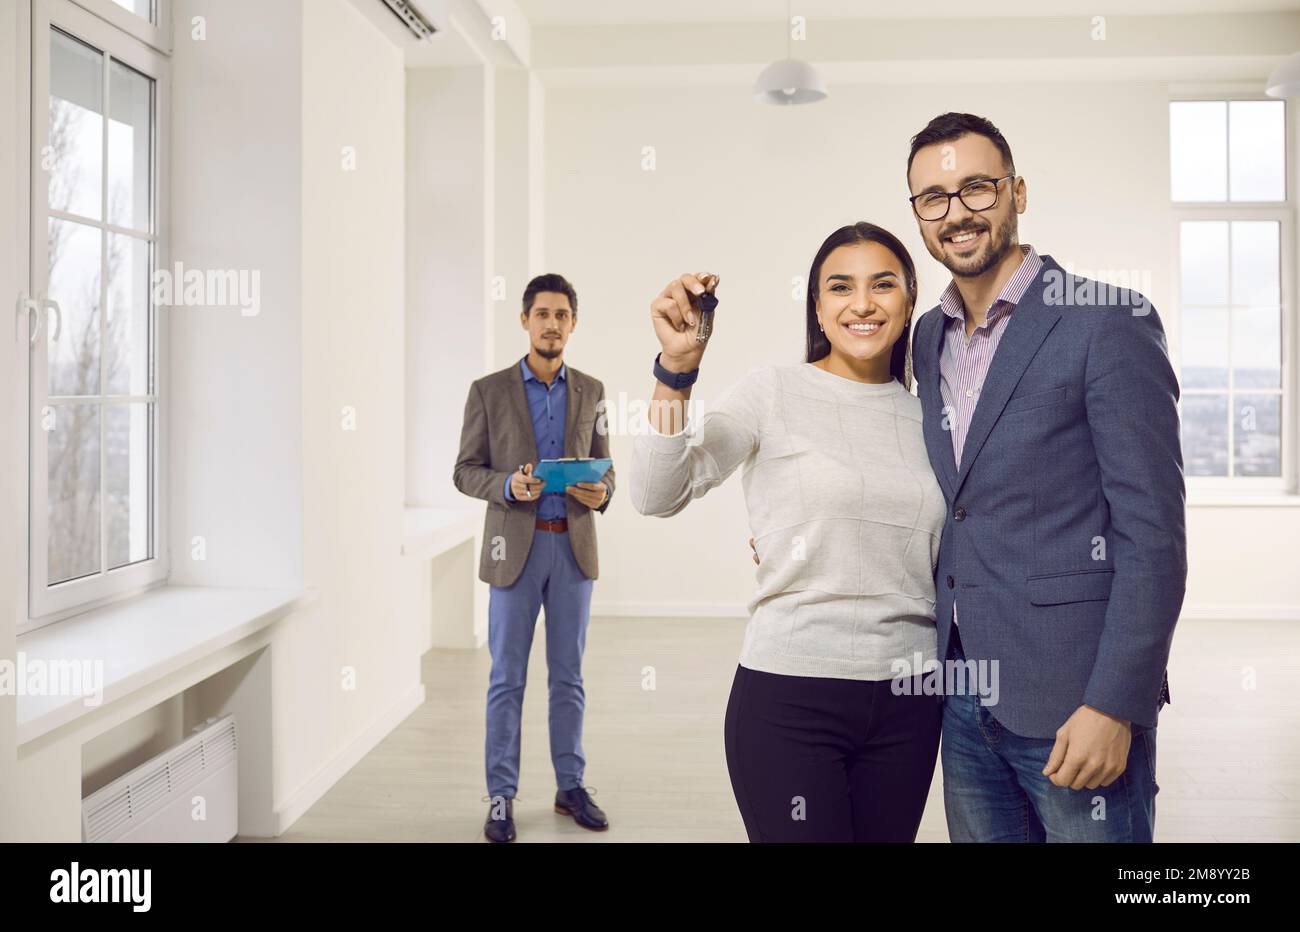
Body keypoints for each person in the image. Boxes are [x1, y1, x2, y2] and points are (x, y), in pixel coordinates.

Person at [905, 112, 1186, 842]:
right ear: (918, 215)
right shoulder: (928, 335)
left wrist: (1115, 704)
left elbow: (1153, 535)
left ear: (1017, 191)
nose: (956, 213)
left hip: (1075, 702)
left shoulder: (1107, 322)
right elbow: (955, 499)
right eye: (933, 197)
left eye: (976, 188)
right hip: (963, 696)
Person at [629, 224, 947, 842]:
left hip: (910, 700)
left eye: (883, 284)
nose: (863, 303)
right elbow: (654, 494)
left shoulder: (931, 416)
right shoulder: (773, 391)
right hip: (792, 696)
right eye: (840, 287)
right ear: (818, 308)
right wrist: (675, 370)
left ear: (909, 301)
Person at [452, 273, 615, 843]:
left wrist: (603, 491)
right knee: (507, 679)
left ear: (573, 323)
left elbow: (606, 467)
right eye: (541, 314)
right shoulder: (488, 391)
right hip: (512, 551)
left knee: (568, 678)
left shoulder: (592, 391)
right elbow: (465, 470)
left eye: (562, 315)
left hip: (571, 550)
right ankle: (501, 796)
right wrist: (506, 487)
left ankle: (571, 786)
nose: (552, 324)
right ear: (525, 320)